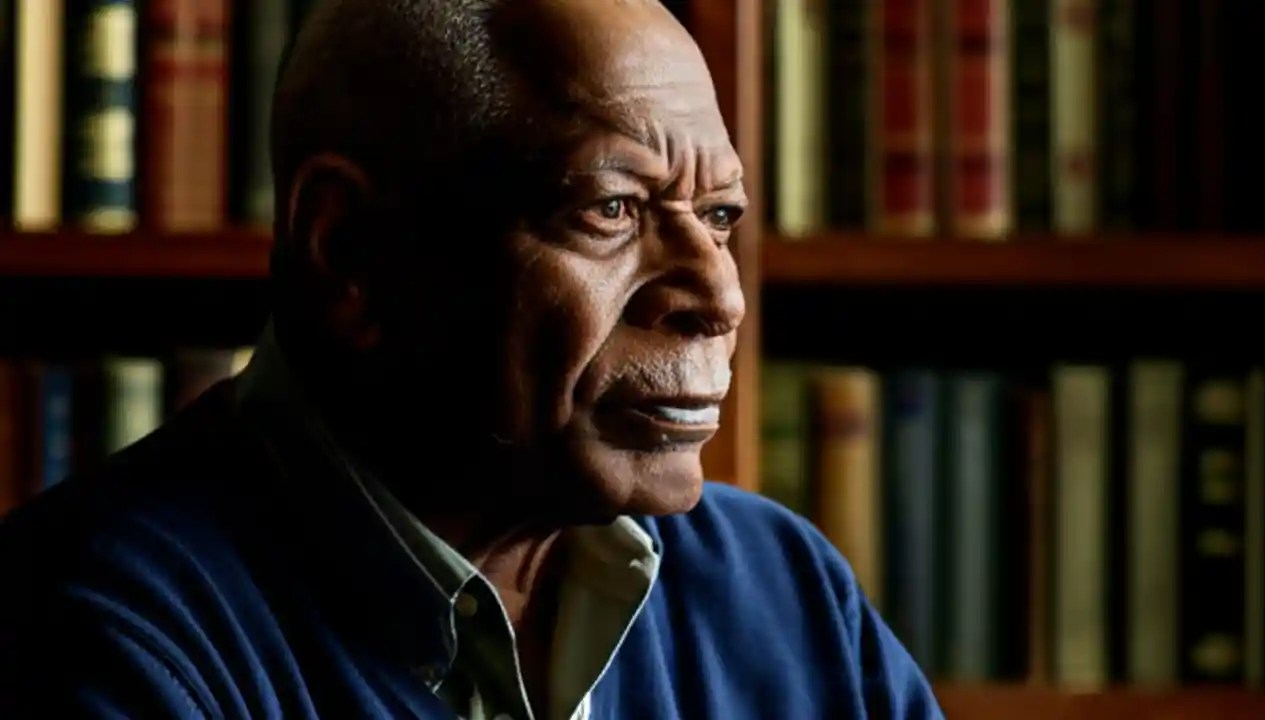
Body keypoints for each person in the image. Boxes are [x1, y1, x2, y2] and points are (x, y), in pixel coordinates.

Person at [0, 0, 943, 717]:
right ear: (351, 249)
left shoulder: (782, 593)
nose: (720, 297)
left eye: (720, 217)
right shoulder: (95, 636)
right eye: (611, 211)